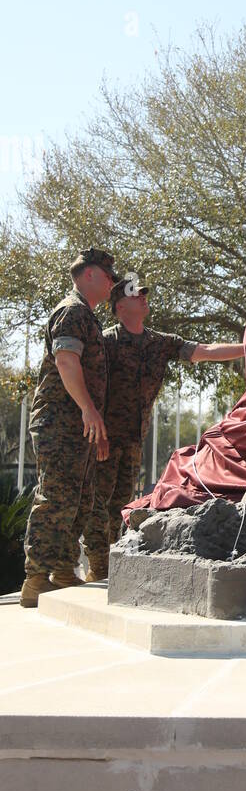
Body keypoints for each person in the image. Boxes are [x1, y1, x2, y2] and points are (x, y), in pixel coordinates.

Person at [81, 276, 245, 580]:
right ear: (119, 306)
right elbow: (90, 389)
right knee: (96, 503)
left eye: (144, 292)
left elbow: (206, 350)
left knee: (120, 503)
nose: (143, 297)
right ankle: (99, 567)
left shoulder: (160, 343)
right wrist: (97, 434)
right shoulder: (106, 343)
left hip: (133, 438)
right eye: (136, 295)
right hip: (104, 437)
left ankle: (109, 566)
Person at [20, 248, 118, 608]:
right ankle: (35, 579)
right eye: (108, 276)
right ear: (89, 274)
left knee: (79, 498)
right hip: (59, 422)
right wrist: (89, 410)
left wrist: (94, 422)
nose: (111, 283)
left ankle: (61, 570)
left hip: (78, 426)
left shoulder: (88, 317)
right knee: (56, 497)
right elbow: (65, 360)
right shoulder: (72, 310)